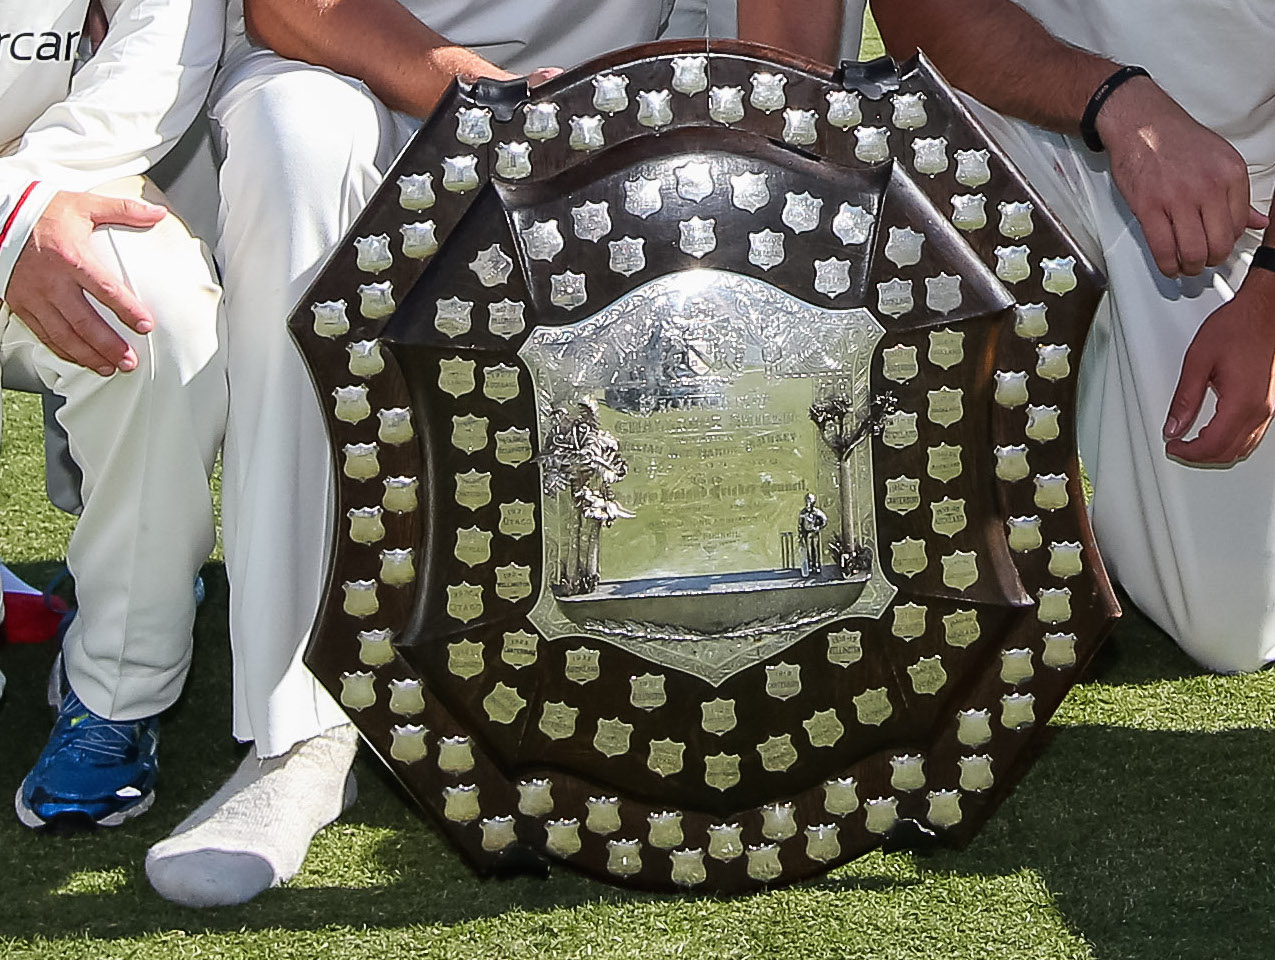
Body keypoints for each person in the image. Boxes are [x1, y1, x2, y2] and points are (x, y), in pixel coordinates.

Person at [143, 0, 847, 907]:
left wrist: (670, 125)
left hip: (614, 84)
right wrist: (493, 102)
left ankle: (699, 642)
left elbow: (780, 35)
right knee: (295, 144)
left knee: (736, 168)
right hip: (350, 69)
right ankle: (300, 731)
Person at [856, 0, 1275, 672]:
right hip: (1014, 126)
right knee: (869, 183)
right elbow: (919, 13)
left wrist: (1264, 307)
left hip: (1232, 204)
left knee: (1228, 627)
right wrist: (1113, 98)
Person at [2, 0, 227, 830]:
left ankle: (117, 688)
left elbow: (153, 63)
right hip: (23, 203)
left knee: (150, 323)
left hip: (72, 179)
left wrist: (20, 211)